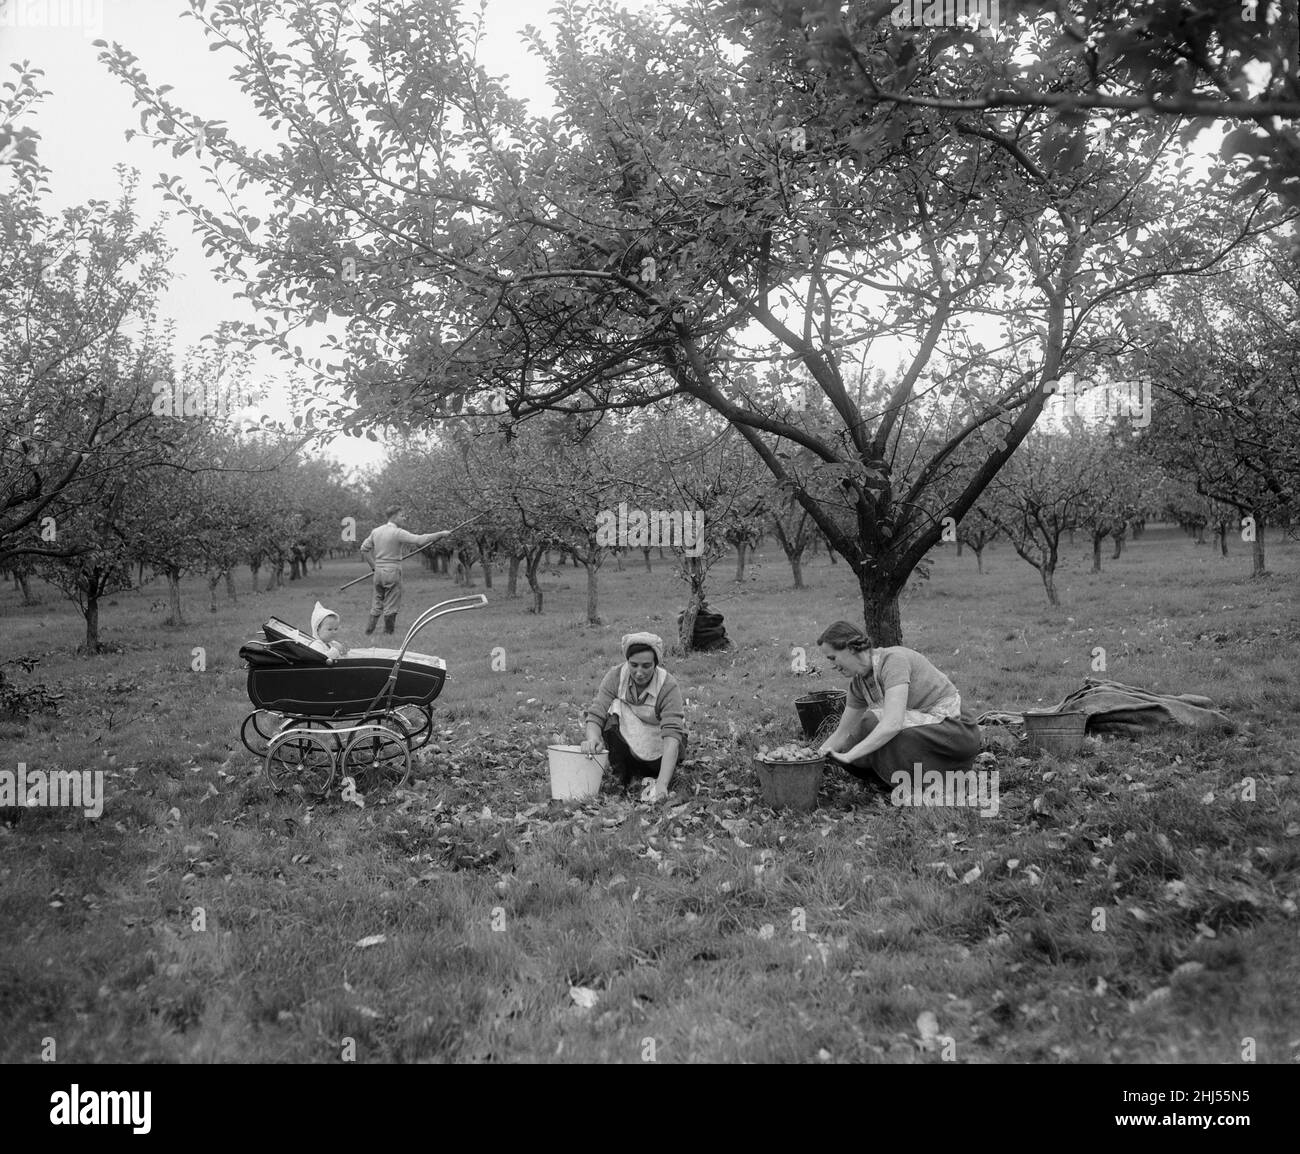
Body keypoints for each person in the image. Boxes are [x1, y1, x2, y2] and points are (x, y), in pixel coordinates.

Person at [815, 620, 981, 792]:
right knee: (853, 740)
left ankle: (943, 779)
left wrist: (850, 756)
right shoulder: (859, 683)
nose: (832, 666)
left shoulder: (892, 661)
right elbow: (842, 732)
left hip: (955, 731)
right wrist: (812, 759)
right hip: (921, 730)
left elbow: (892, 723)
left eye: (832, 658)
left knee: (871, 725)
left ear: (850, 648)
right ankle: (890, 781)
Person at [580, 632, 686, 802]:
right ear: (627, 661)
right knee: (613, 709)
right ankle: (621, 774)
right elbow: (596, 712)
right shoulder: (615, 677)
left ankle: (655, 773)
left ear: (656, 663)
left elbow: (672, 736)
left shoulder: (667, 685)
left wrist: (662, 784)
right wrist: (592, 738)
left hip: (660, 746)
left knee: (663, 764)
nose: (639, 672)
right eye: (634, 665)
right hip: (629, 740)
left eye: (646, 666)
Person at [358, 505, 451, 635]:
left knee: (377, 602)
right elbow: (420, 540)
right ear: (395, 516)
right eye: (402, 516)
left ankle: (368, 631)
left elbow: (364, 549)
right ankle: (388, 633)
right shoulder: (397, 532)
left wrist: (374, 566)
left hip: (378, 572)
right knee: (391, 602)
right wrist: (441, 534)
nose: (404, 518)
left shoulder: (376, 531)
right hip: (392, 571)